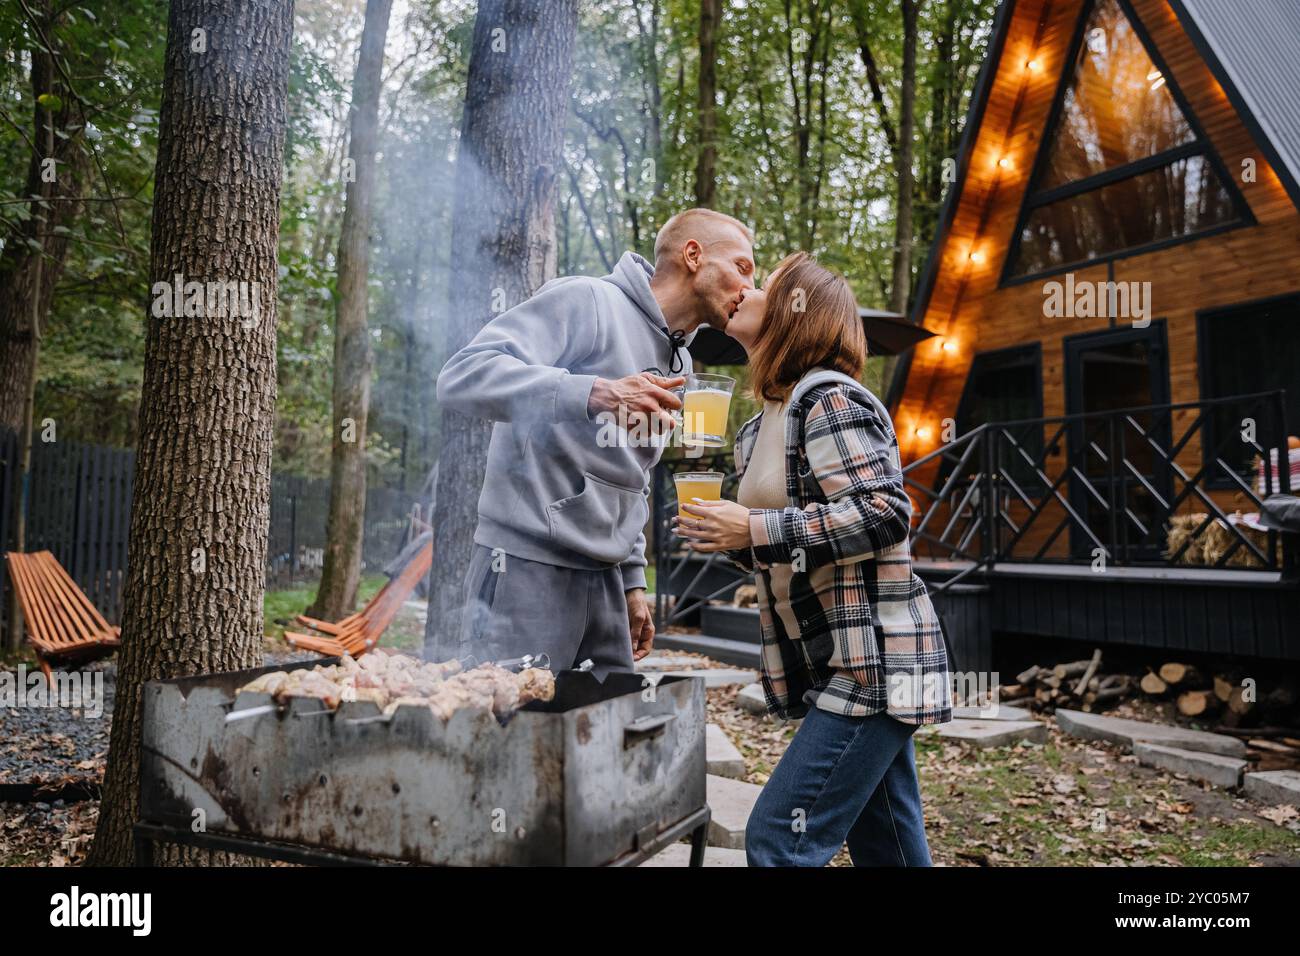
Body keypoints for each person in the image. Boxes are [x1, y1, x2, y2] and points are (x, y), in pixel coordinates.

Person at [675, 252, 952, 866]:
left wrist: (755, 525)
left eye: (766, 285)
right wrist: (733, 536)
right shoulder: (759, 427)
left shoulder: (827, 397)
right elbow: (789, 545)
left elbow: (885, 514)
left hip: (873, 660)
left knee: (779, 841)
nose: (745, 289)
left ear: (800, 315)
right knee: (890, 851)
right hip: (834, 660)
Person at [436, 208, 755, 676]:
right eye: (742, 267)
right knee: (514, 728)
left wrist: (631, 582)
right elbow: (462, 377)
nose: (749, 287)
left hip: (607, 582)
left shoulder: (680, 362)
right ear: (693, 256)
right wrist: (594, 391)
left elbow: (633, 471)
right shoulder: (587, 300)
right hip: (527, 565)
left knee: (603, 731)